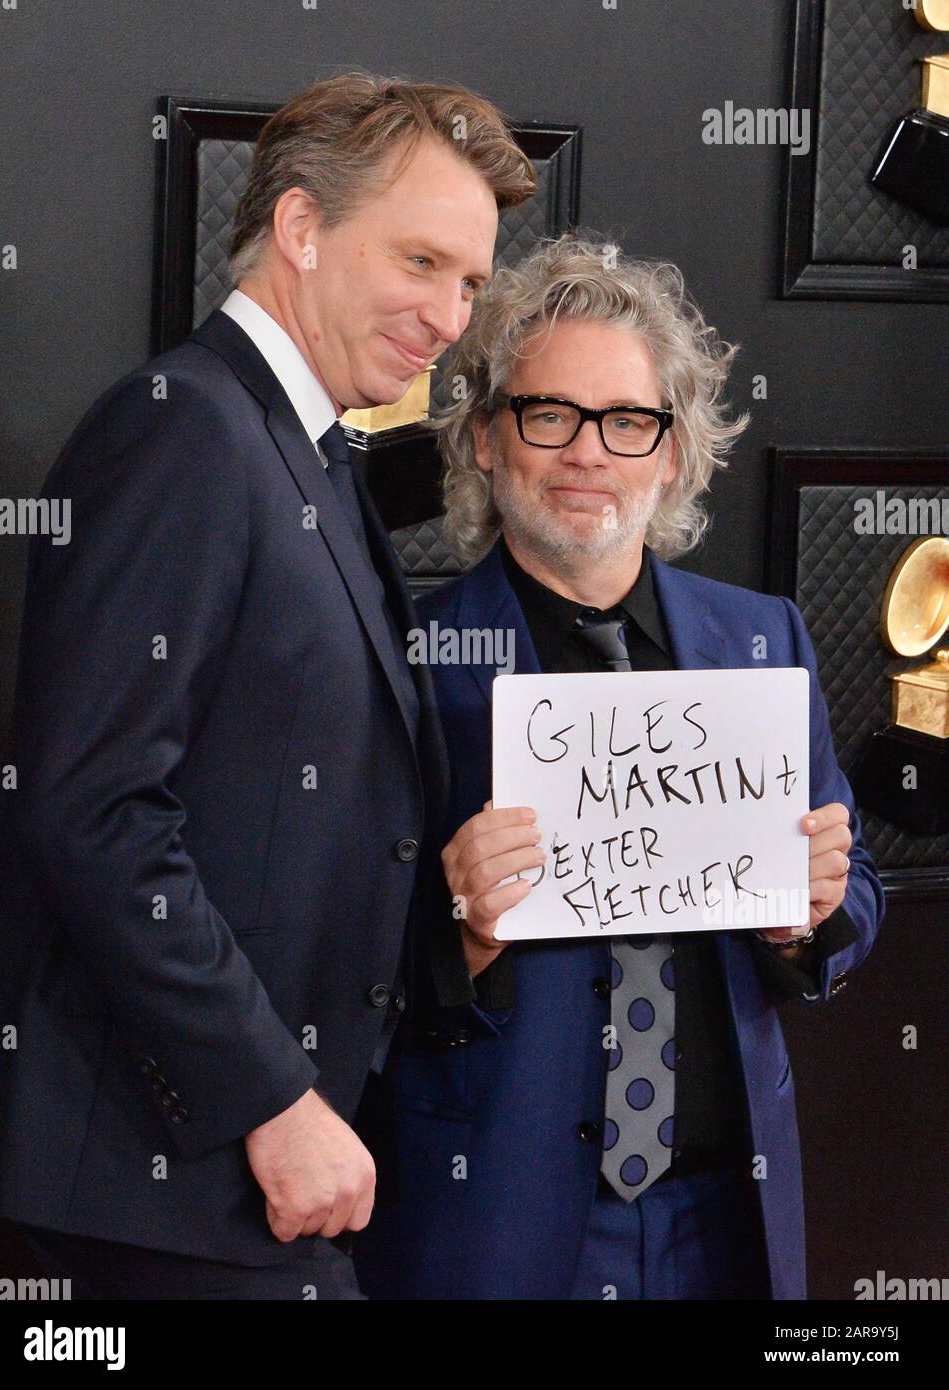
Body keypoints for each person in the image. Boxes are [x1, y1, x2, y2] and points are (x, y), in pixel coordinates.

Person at [0, 71, 534, 1300]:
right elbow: (93, 809)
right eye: (424, 262)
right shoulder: (184, 430)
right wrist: (272, 1098)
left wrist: (453, 937)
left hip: (237, 1186)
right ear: (298, 228)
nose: (451, 317)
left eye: (473, 283)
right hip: (165, 1175)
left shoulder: (305, 449)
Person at [354, 234, 886, 1301]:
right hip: (495, 1218)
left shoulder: (763, 637)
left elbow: (854, 893)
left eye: (628, 422)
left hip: (723, 1222)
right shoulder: (405, 660)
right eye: (549, 415)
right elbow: (323, 952)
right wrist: (456, 927)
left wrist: (815, 913)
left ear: (675, 453)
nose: (588, 453)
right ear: (488, 442)